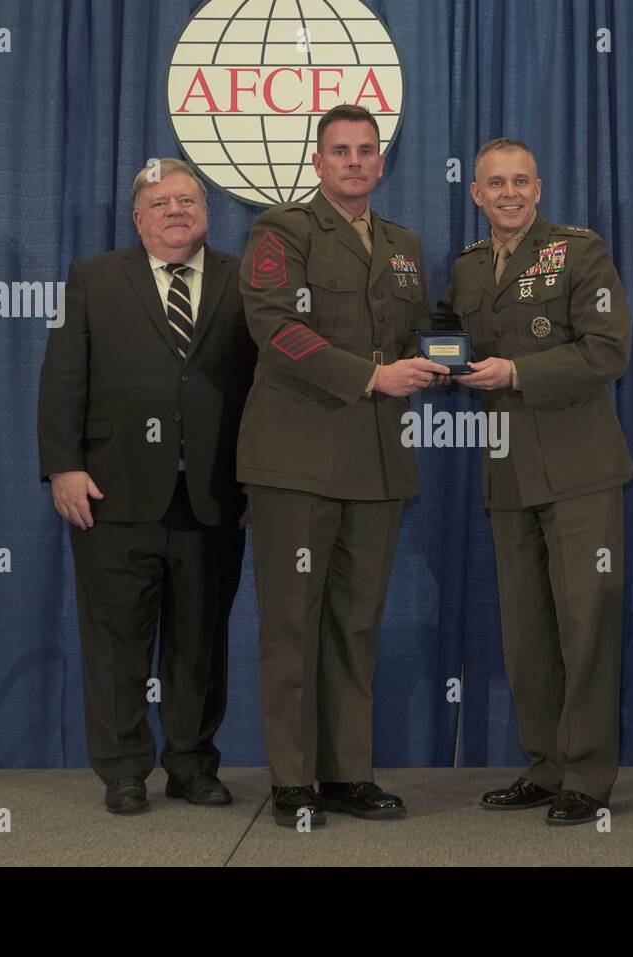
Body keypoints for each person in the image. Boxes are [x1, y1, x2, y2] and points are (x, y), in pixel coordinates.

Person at [236, 104, 449, 827]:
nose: (355, 161)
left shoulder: (403, 243)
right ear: (319, 162)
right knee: (292, 624)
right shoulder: (282, 229)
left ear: (380, 163)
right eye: (341, 151)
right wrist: (370, 377)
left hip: (379, 462)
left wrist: (445, 359)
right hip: (297, 459)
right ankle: (293, 780)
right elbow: (274, 327)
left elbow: (416, 331)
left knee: (357, 624)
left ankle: (346, 772)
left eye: (366, 151)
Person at [38, 158, 257, 814]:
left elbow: (258, 387)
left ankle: (191, 764)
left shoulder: (242, 280)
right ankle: (124, 770)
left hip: (214, 496)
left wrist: (256, 479)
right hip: (114, 493)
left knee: (201, 641)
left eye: (187, 200)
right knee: (116, 643)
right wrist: (63, 465)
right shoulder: (93, 278)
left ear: (206, 212)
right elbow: (62, 378)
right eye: (159, 203)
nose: (174, 211)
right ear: (138, 218)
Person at [435, 138, 633, 825]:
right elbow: (442, 332)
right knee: (527, 632)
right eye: (497, 183)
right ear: (477, 193)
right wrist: (428, 357)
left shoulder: (580, 251)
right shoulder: (466, 268)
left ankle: (587, 775)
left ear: (539, 188)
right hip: (507, 466)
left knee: (586, 624)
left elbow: (608, 349)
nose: (510, 192)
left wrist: (517, 372)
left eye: (521, 180)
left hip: (579, 468)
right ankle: (547, 764)